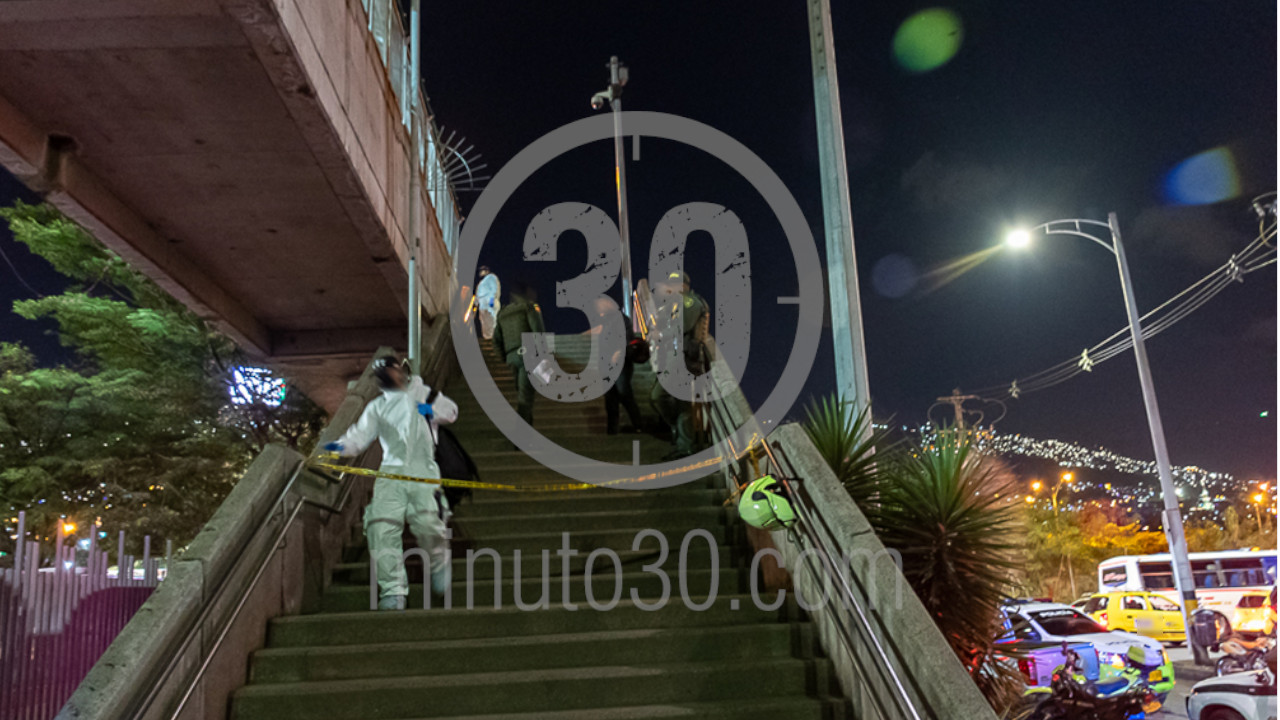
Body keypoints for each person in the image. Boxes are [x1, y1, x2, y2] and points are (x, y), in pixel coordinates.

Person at [323, 354, 459, 610]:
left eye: (391, 369)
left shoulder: (425, 393)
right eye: (382, 372)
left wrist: (427, 409)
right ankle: (393, 590)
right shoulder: (377, 407)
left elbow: (450, 412)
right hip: (390, 473)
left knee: (428, 523)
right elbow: (359, 437)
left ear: (402, 371)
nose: (388, 375)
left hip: (423, 471)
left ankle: (440, 564)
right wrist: (335, 447)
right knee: (381, 527)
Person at [650, 272, 713, 459]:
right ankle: (684, 442)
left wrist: (660, 335)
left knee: (659, 396)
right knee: (680, 403)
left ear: (682, 285)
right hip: (677, 358)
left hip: (684, 360)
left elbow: (681, 327)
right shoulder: (676, 304)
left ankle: (685, 442)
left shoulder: (690, 302)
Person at [491, 281, 545, 426]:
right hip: (527, 356)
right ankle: (521, 437)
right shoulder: (528, 308)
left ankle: (528, 431)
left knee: (522, 394)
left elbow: (496, 340)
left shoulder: (502, 314)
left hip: (511, 358)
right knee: (525, 398)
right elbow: (538, 332)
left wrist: (505, 357)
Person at [596, 297, 644, 435]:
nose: (599, 308)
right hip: (606, 366)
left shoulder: (622, 319)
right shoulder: (605, 322)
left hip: (621, 364)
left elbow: (629, 338)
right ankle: (612, 430)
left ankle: (638, 425)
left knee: (624, 393)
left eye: (602, 304)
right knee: (610, 398)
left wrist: (619, 351)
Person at [475, 266, 501, 340]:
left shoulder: (491, 277)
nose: (480, 272)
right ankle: (487, 337)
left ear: (486, 271)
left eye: (482, 271)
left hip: (489, 302)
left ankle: (494, 338)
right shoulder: (481, 283)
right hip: (482, 305)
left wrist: (491, 300)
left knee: (491, 320)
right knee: (484, 321)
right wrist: (476, 302)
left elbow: (494, 289)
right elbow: (478, 294)